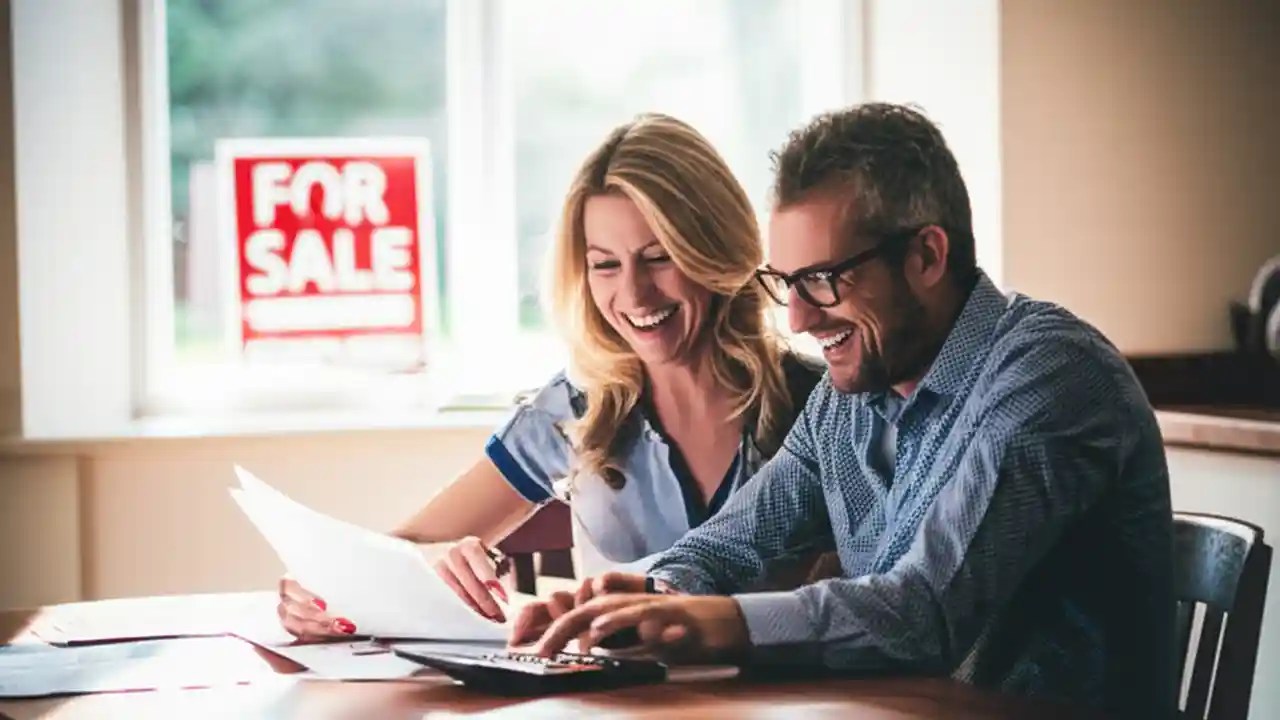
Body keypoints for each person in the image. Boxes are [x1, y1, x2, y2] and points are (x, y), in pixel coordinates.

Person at [519, 103, 1175, 717]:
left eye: (824, 280)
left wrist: (721, 622)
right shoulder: (853, 393)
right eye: (787, 283)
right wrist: (649, 596)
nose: (800, 319)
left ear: (926, 256)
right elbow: (739, 536)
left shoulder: (1048, 374)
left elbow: (925, 615)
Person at [275, 113, 823, 640]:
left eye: (659, 258)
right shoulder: (572, 411)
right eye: (605, 265)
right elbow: (398, 551)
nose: (634, 295)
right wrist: (331, 596)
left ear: (715, 252)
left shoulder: (828, 406)